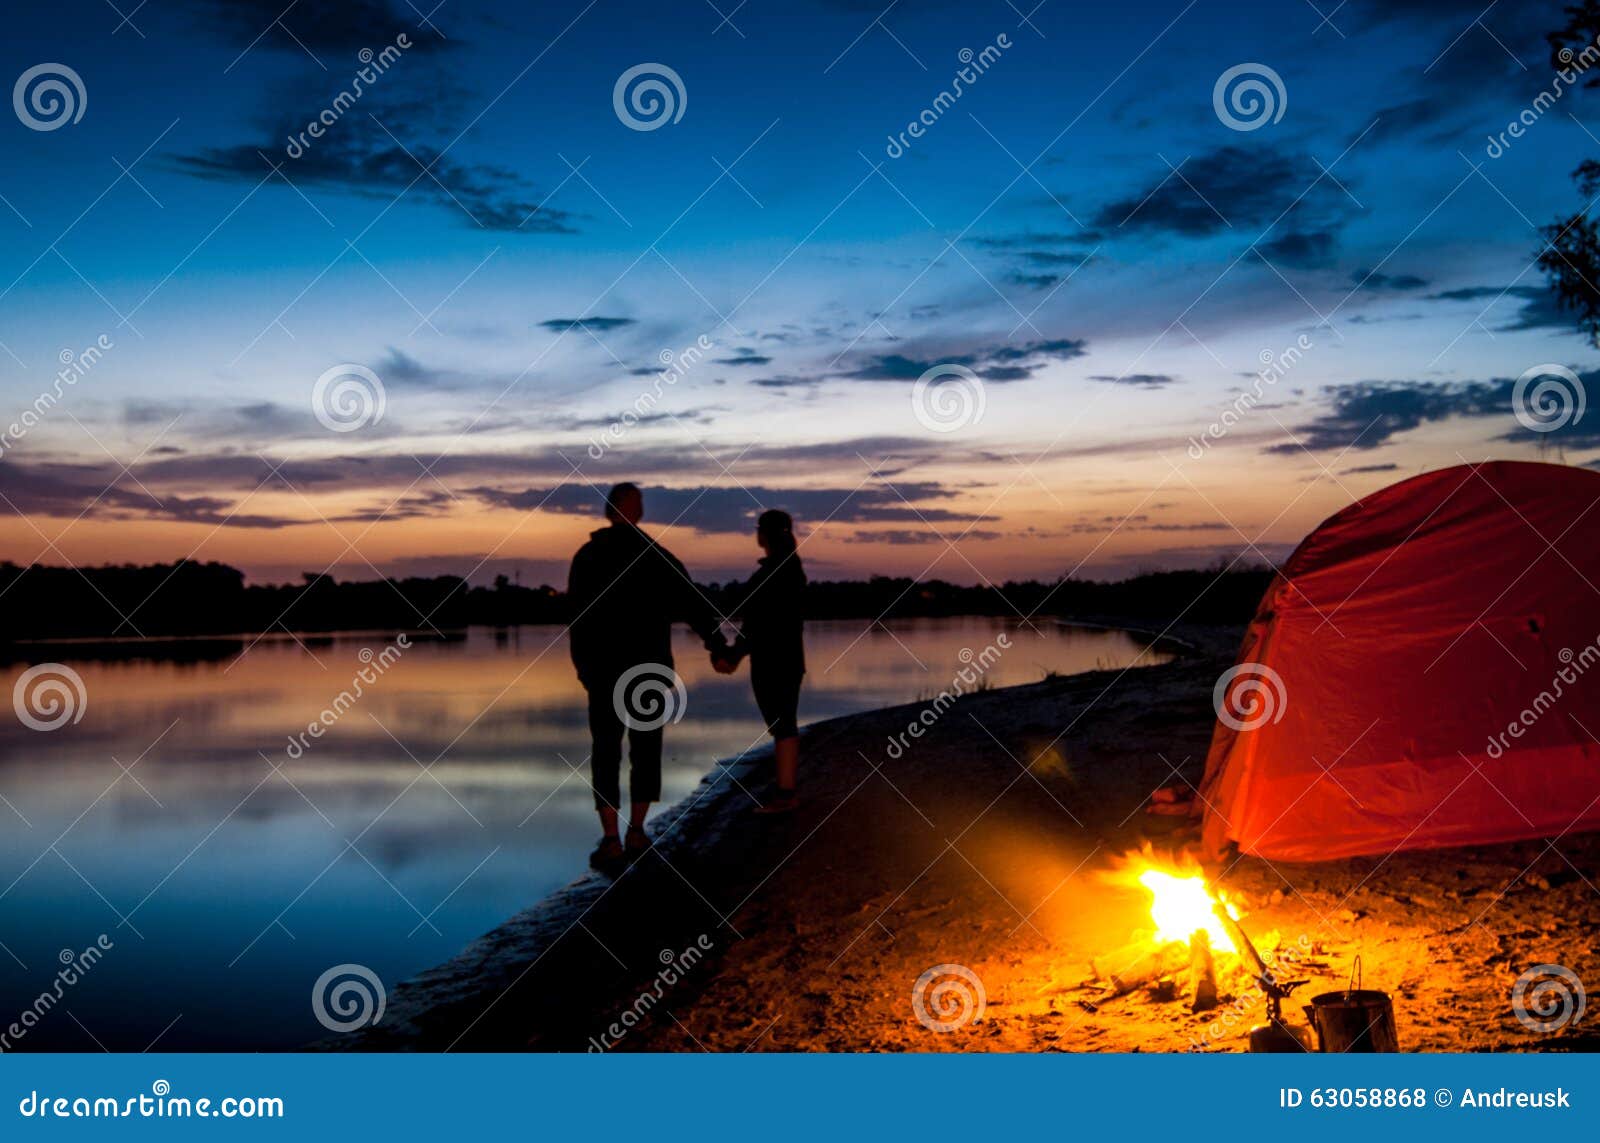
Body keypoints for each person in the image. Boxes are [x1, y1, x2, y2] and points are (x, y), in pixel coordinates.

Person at [568, 482, 730, 873]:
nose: (639, 506)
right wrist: (716, 644)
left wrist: (584, 667)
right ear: (632, 510)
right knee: (644, 750)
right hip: (645, 667)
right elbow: (692, 601)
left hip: (605, 667)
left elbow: (577, 619)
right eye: (638, 501)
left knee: (607, 750)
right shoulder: (654, 556)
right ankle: (635, 832)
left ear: (610, 512)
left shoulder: (589, 555)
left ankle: (612, 838)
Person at [715, 509, 807, 814]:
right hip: (789, 658)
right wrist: (738, 653)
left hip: (773, 661)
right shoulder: (792, 568)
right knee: (785, 723)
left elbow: (757, 625)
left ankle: (785, 793)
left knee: (782, 724)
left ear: (764, 534)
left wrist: (734, 655)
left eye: (759, 529)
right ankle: (786, 789)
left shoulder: (773, 573)